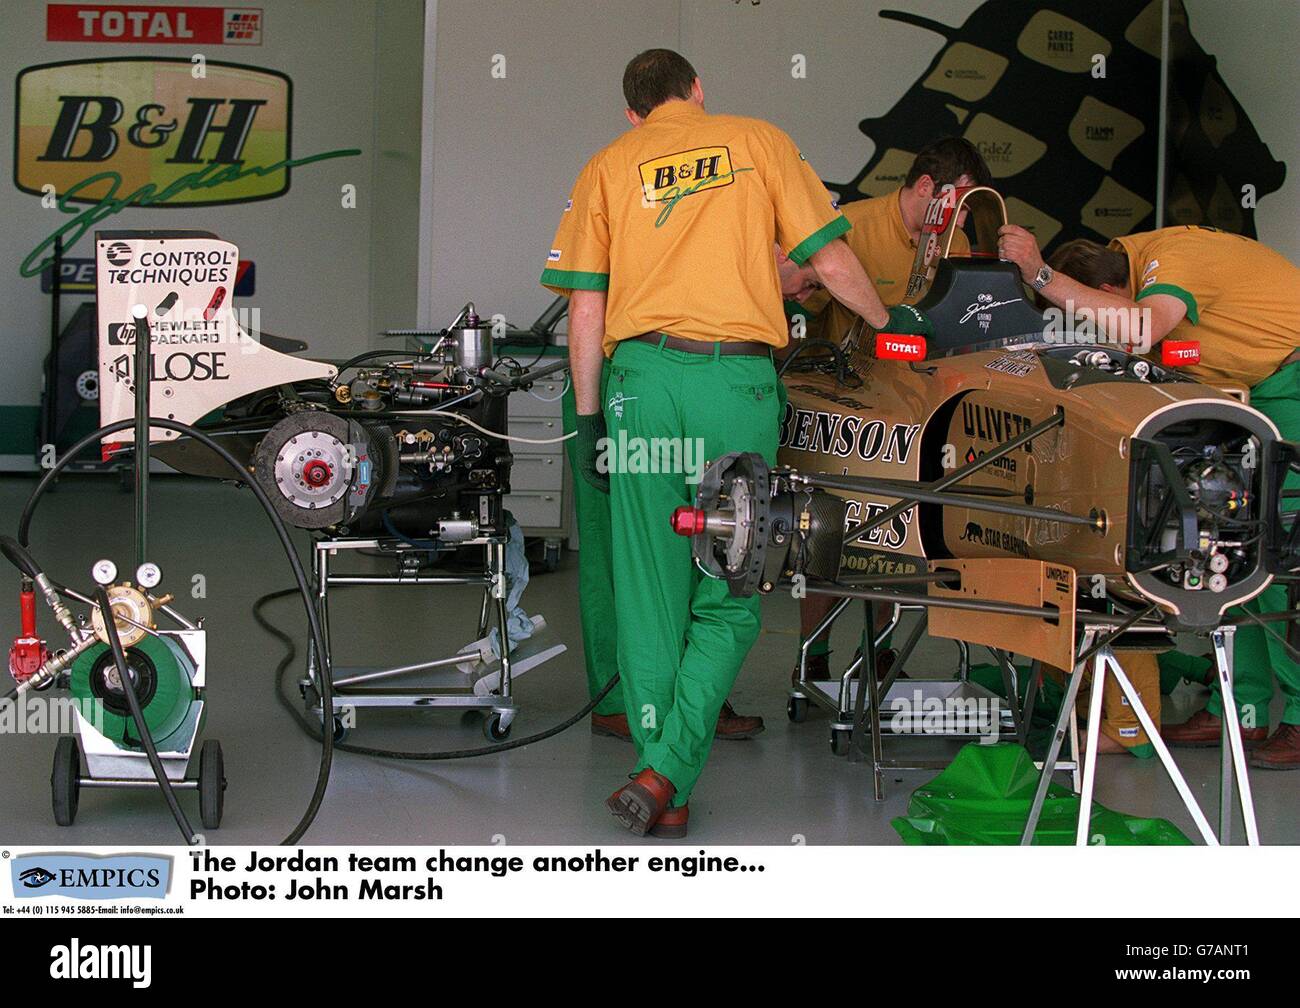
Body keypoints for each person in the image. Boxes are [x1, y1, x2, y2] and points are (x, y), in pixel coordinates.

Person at [541, 49, 924, 837]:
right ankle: (669, 767)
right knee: (737, 579)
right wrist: (892, 322)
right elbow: (824, 255)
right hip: (735, 387)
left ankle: (665, 779)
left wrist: (587, 422)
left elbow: (587, 309)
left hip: (639, 386)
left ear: (632, 112)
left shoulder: (608, 164)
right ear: (698, 92)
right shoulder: (758, 141)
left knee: (648, 593)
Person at [999, 221, 1300, 768]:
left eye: (1096, 318)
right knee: (1236, 551)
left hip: (1293, 379)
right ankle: (1244, 712)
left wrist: (1038, 274)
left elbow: (1138, 332)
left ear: (1111, 294)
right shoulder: (1139, 266)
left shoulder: (1176, 257)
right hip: (1256, 389)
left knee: (1279, 556)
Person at [778, 138, 992, 687]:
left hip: (912, 418)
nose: (957, 220)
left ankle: (878, 655)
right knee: (824, 538)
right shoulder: (848, 228)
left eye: (965, 212)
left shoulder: (957, 243)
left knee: (894, 539)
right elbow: (796, 305)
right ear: (926, 187)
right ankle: (813, 658)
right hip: (839, 412)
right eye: (953, 205)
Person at [561, 369, 765, 741]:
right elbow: (584, 312)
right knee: (615, 556)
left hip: (684, 378)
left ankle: (693, 697)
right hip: (613, 380)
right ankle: (617, 702)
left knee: (703, 540)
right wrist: (589, 420)